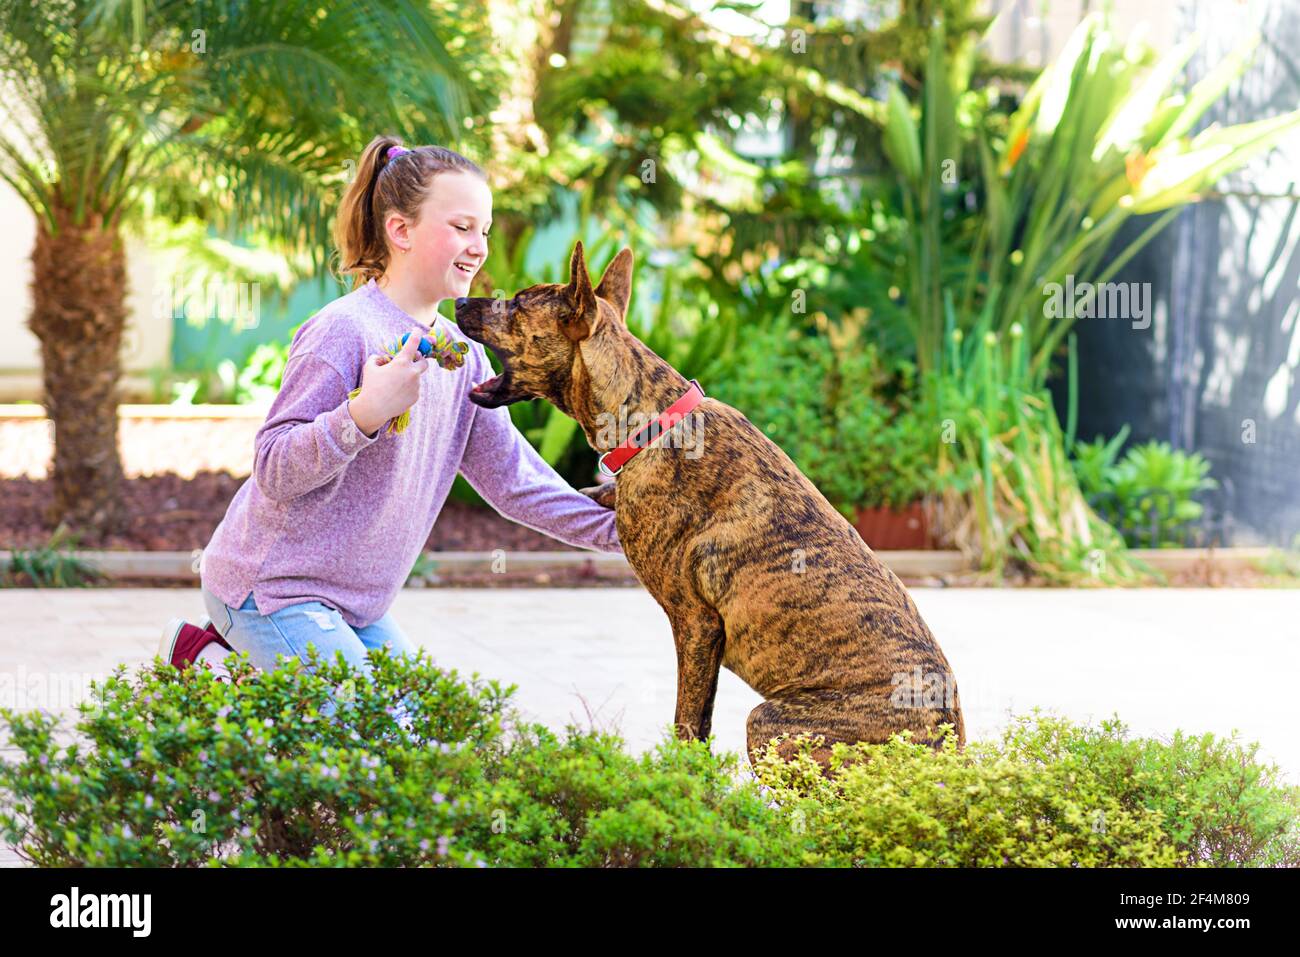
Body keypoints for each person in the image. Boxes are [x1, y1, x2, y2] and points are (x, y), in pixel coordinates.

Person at [158, 135, 622, 693]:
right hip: (272, 590)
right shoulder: (343, 331)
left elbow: (518, 485)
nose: (478, 247)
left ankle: (222, 678)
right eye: (461, 227)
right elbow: (274, 468)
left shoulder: (466, 357)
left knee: (423, 743)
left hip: (358, 605)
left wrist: (629, 531)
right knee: (379, 744)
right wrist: (363, 415)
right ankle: (214, 668)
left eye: (484, 231)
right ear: (400, 231)